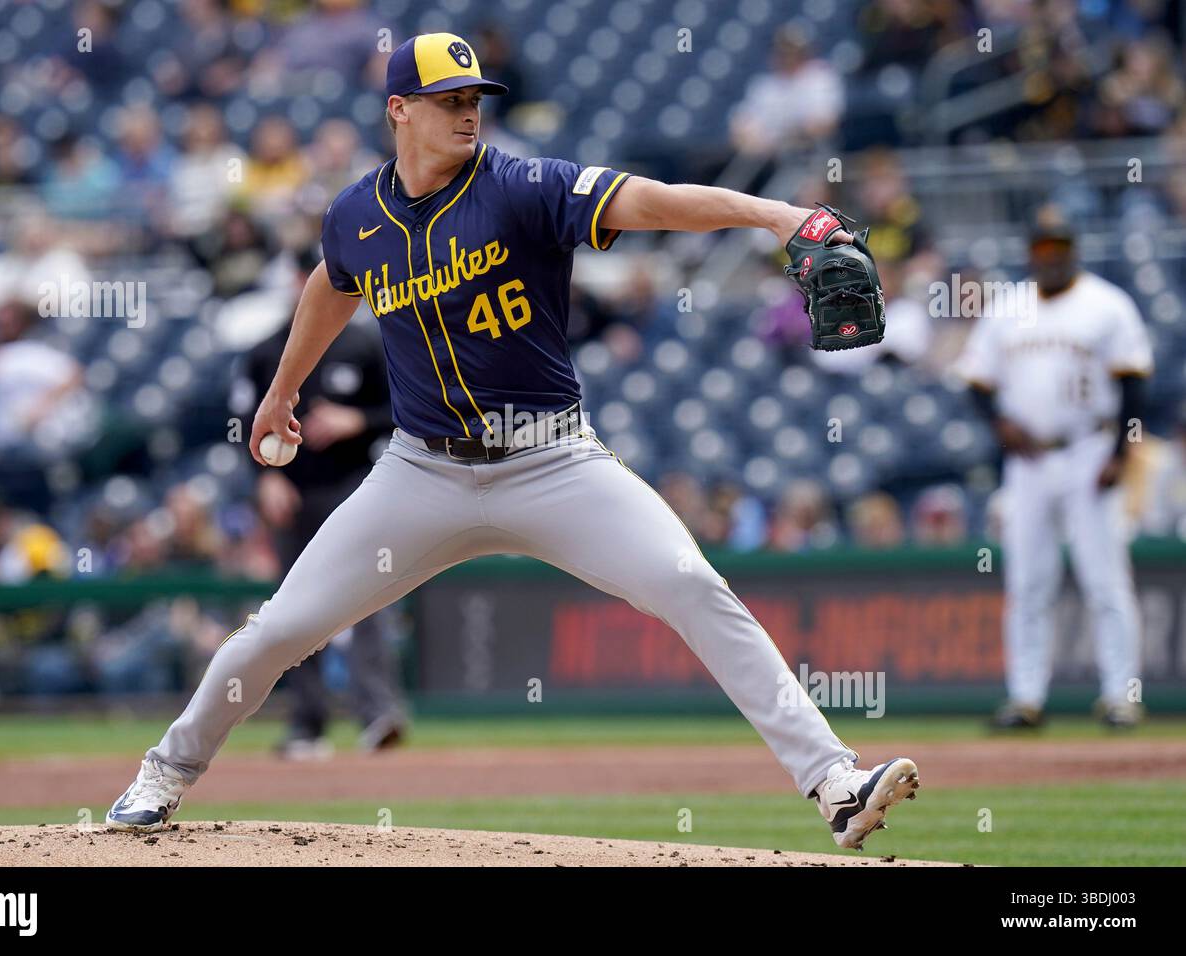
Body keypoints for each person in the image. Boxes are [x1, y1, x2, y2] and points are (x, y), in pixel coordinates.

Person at [107, 32, 919, 850]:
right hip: (422, 473)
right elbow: (332, 279)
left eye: (474, 100)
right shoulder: (358, 213)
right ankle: (164, 774)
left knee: (692, 586)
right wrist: (283, 391)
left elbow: (655, 199)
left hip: (554, 463)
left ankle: (835, 782)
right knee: (282, 628)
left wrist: (781, 215)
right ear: (400, 111)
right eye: (449, 101)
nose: (468, 114)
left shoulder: (527, 186)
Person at [955, 205, 1153, 730]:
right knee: (1028, 583)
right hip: (1029, 461)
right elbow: (976, 382)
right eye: (1042, 249)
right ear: (1030, 254)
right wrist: (999, 424)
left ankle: (1120, 695)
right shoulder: (1007, 308)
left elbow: (1134, 383)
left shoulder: (1107, 306)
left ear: (1073, 251)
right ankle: (1025, 699)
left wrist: (1120, 454)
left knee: (1105, 579)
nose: (1050, 258)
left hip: (1089, 449)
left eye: (1058, 249)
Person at [244, 254, 408, 758]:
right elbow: (237, 424)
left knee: (367, 599)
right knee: (296, 607)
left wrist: (354, 420)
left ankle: (377, 713)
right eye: (294, 277)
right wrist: (262, 481)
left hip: (352, 485)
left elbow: (403, 408)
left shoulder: (363, 343)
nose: (300, 285)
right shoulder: (264, 353)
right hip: (292, 495)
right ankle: (307, 724)